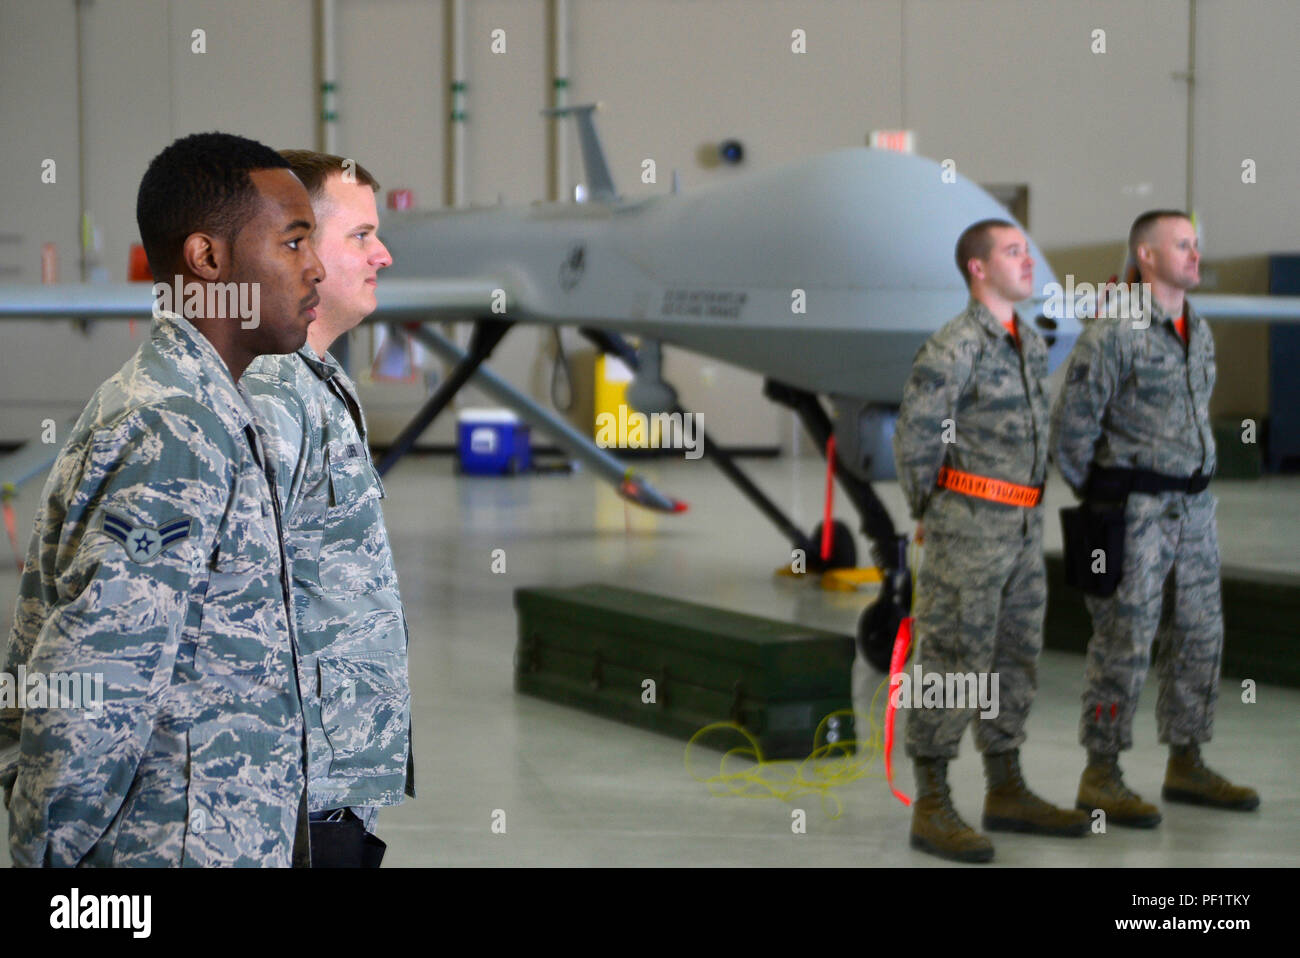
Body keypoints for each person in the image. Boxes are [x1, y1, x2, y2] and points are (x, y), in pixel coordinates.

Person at [0, 132, 324, 866]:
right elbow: (89, 688)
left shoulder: (213, 410)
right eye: (294, 243)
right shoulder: (170, 428)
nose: (318, 269)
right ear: (208, 260)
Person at [1050, 210, 1258, 827]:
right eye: (1182, 246)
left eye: (1197, 245)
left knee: (1199, 636)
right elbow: (1072, 431)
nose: (1196, 256)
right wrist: (1107, 496)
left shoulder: (1199, 328)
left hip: (1194, 509)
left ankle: (1186, 760)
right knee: (1125, 640)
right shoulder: (1114, 332)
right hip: (1132, 511)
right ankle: (1101, 773)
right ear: (1146, 254)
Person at [893, 219, 1088, 863]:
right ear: (978, 269)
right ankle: (931, 803)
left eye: (1027, 249)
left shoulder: (1028, 341)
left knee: (1013, 658)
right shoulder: (952, 348)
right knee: (952, 663)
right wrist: (935, 510)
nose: (1027, 260)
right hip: (968, 528)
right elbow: (917, 443)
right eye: (1012, 252)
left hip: (1024, 529)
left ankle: (1005, 788)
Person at [243, 150, 413, 868]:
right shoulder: (274, 393)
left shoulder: (319, 381)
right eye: (362, 236)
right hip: (286, 797)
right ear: (299, 245)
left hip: (331, 788)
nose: (385, 254)